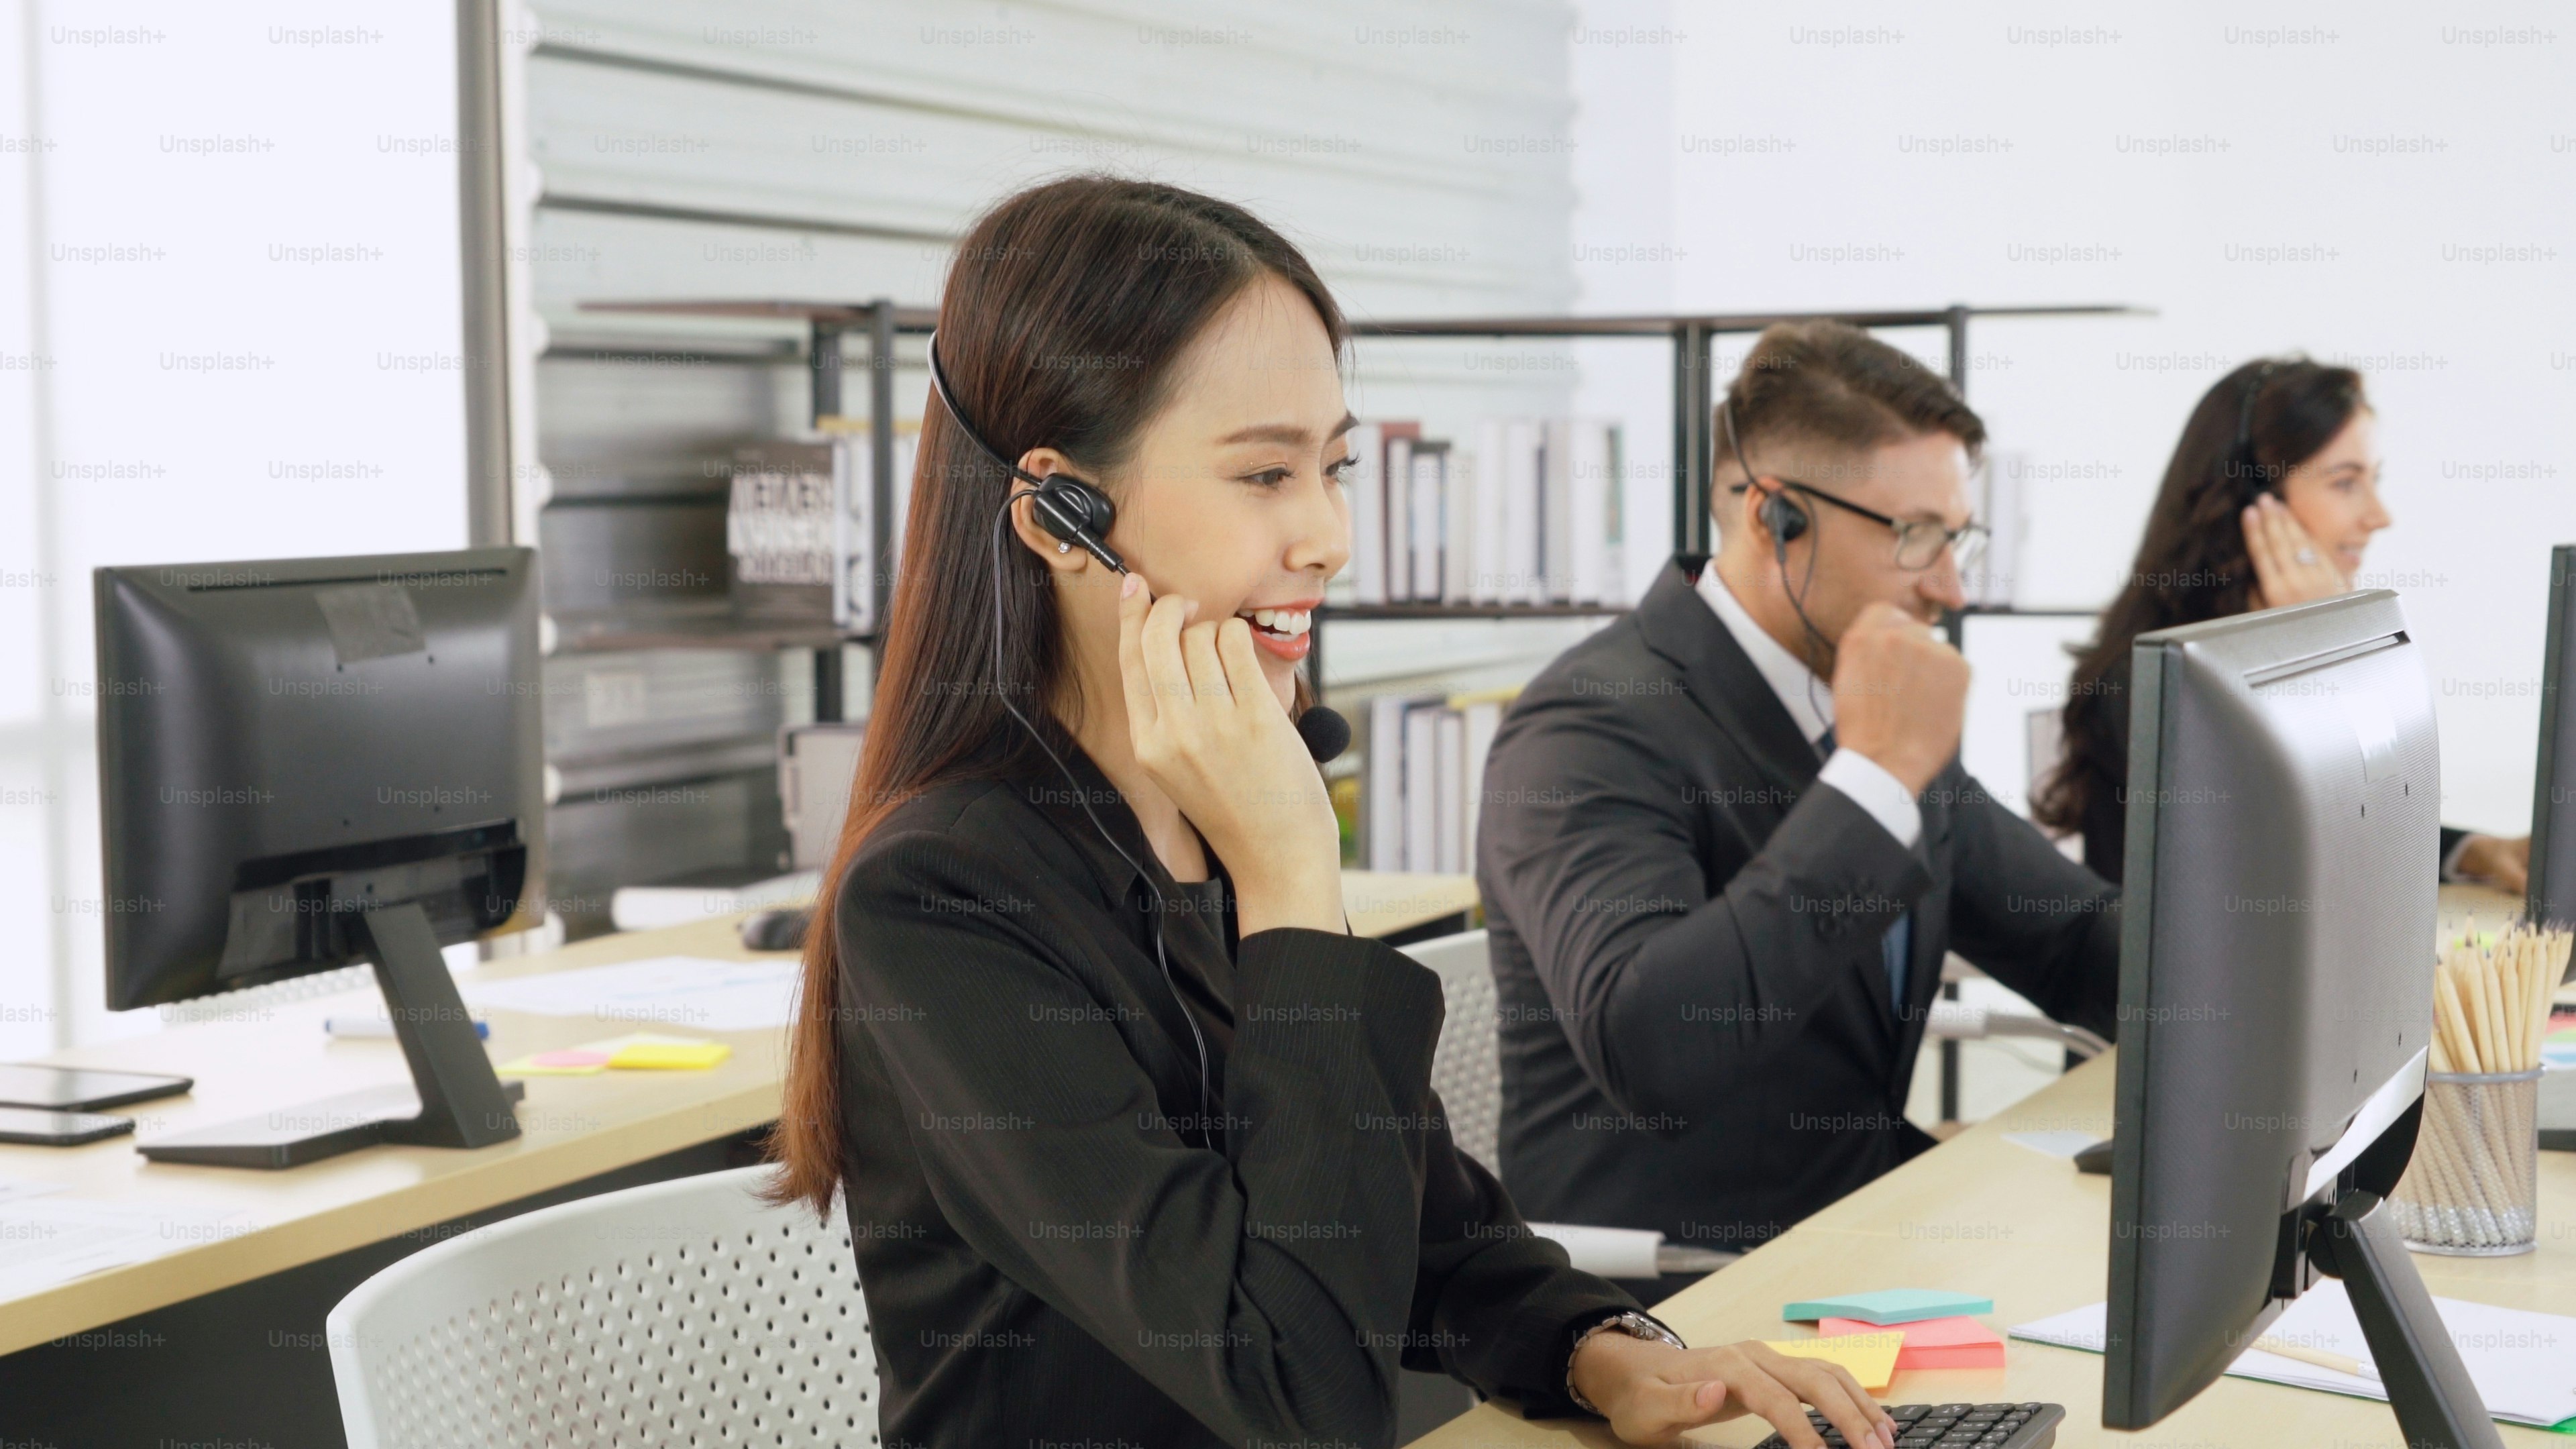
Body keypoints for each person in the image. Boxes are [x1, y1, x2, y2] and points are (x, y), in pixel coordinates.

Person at [768, 178, 1896, 1449]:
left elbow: (1421, 1227)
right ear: (1057, 515)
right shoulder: (945, 901)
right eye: (1264, 474)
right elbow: (1299, 1393)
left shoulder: (1217, 811)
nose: (1328, 537)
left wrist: (1600, 1350)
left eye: (1334, 467)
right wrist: (1295, 880)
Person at [1477, 321, 2123, 1271]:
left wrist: (2275, 974)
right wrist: (1871, 779)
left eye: (1957, 538)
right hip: (1675, 1297)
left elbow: (2068, 943)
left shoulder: (1862, 698)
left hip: (1859, 1244)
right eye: (1913, 535)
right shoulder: (1590, 726)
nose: (1949, 586)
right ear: (1773, 517)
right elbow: (1655, 1051)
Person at [2032, 358, 2530, 888]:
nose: (2379, 516)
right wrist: (2330, 642)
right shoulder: (2154, 679)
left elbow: (2365, 822)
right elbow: (2318, 850)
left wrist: (2475, 853)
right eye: (2345, 484)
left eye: (2373, 481)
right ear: (2254, 501)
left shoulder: (2264, 657)